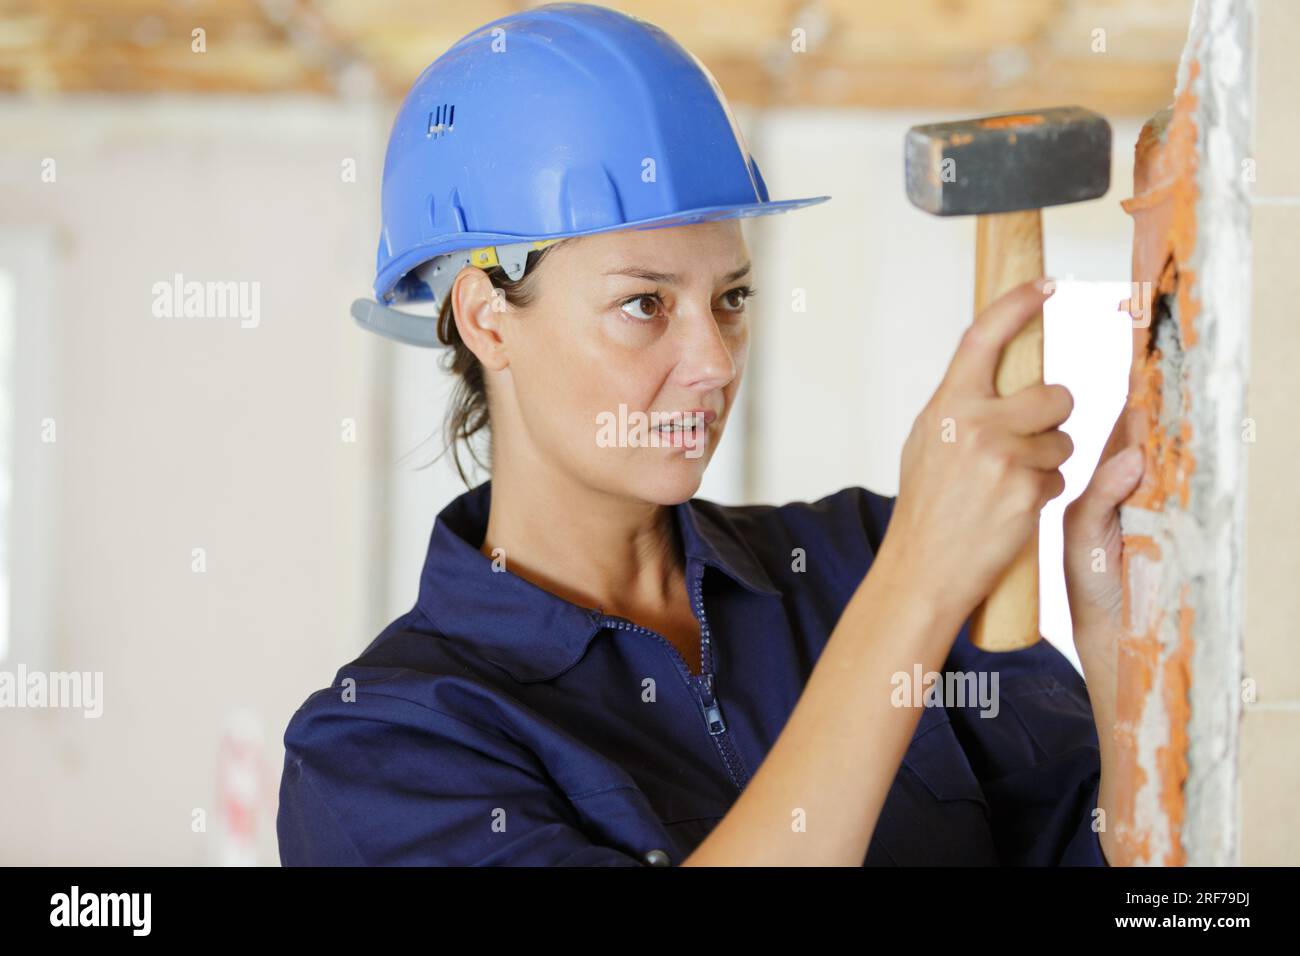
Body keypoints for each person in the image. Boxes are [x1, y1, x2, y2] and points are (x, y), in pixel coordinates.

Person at [277, 2, 1143, 866]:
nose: (715, 363)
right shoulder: (382, 748)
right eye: (644, 303)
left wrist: (1115, 643)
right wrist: (915, 590)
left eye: (731, 299)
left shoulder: (858, 558)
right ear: (488, 319)